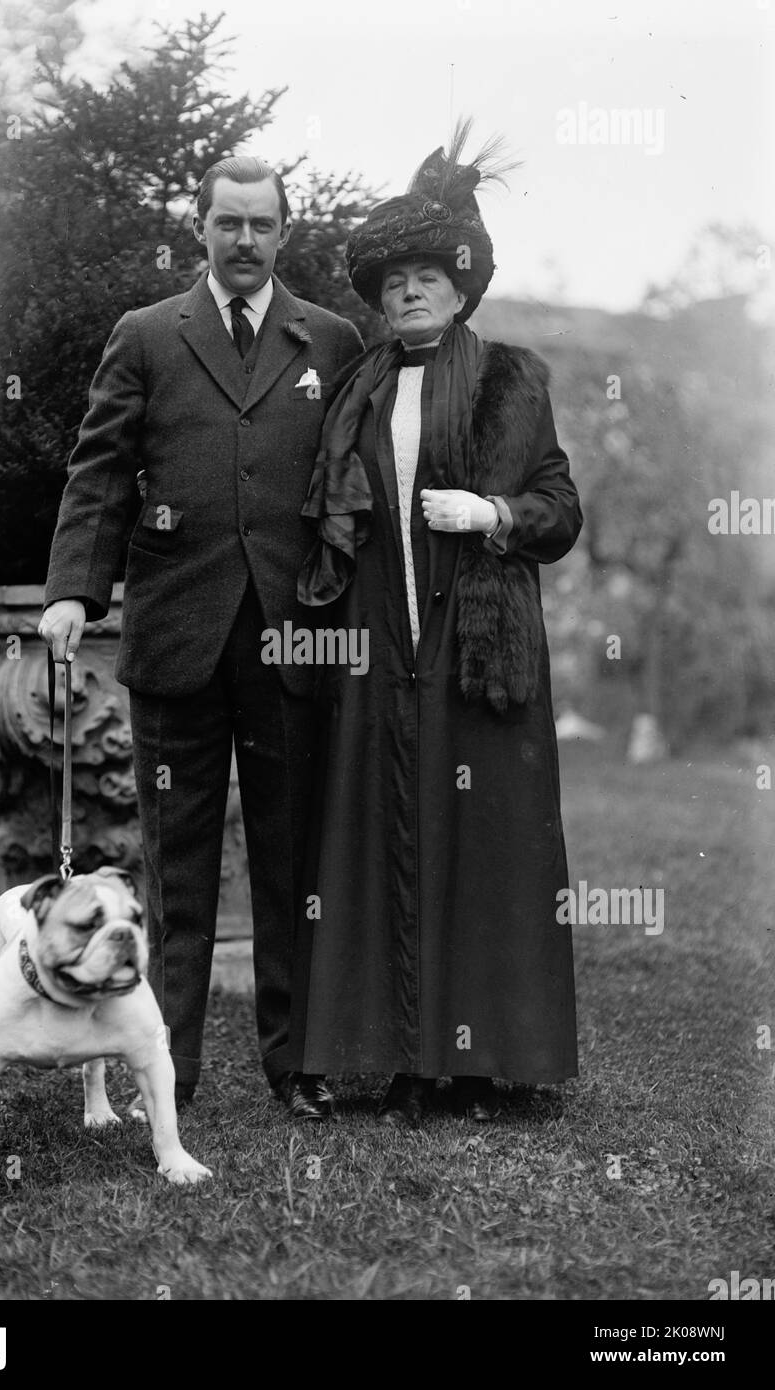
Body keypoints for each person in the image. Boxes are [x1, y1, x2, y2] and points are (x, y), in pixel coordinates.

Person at [39, 155, 363, 1120]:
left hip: (292, 640)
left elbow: (354, 486)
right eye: (230, 224)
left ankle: (296, 1065)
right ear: (202, 227)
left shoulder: (333, 340)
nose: (247, 242)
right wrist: (71, 592)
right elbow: (99, 472)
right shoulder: (147, 336)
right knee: (175, 871)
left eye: (263, 225)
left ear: (285, 232)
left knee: (291, 861)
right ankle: (161, 1070)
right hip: (178, 633)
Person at [291, 121, 583, 1127]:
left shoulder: (508, 376)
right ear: (374, 298)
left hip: (478, 647)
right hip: (381, 646)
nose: (408, 291)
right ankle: (402, 1059)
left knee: (480, 839)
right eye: (391, 281)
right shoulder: (357, 391)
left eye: (427, 276)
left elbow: (559, 509)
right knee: (386, 834)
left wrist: (494, 516)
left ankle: (478, 1064)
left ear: (461, 288)